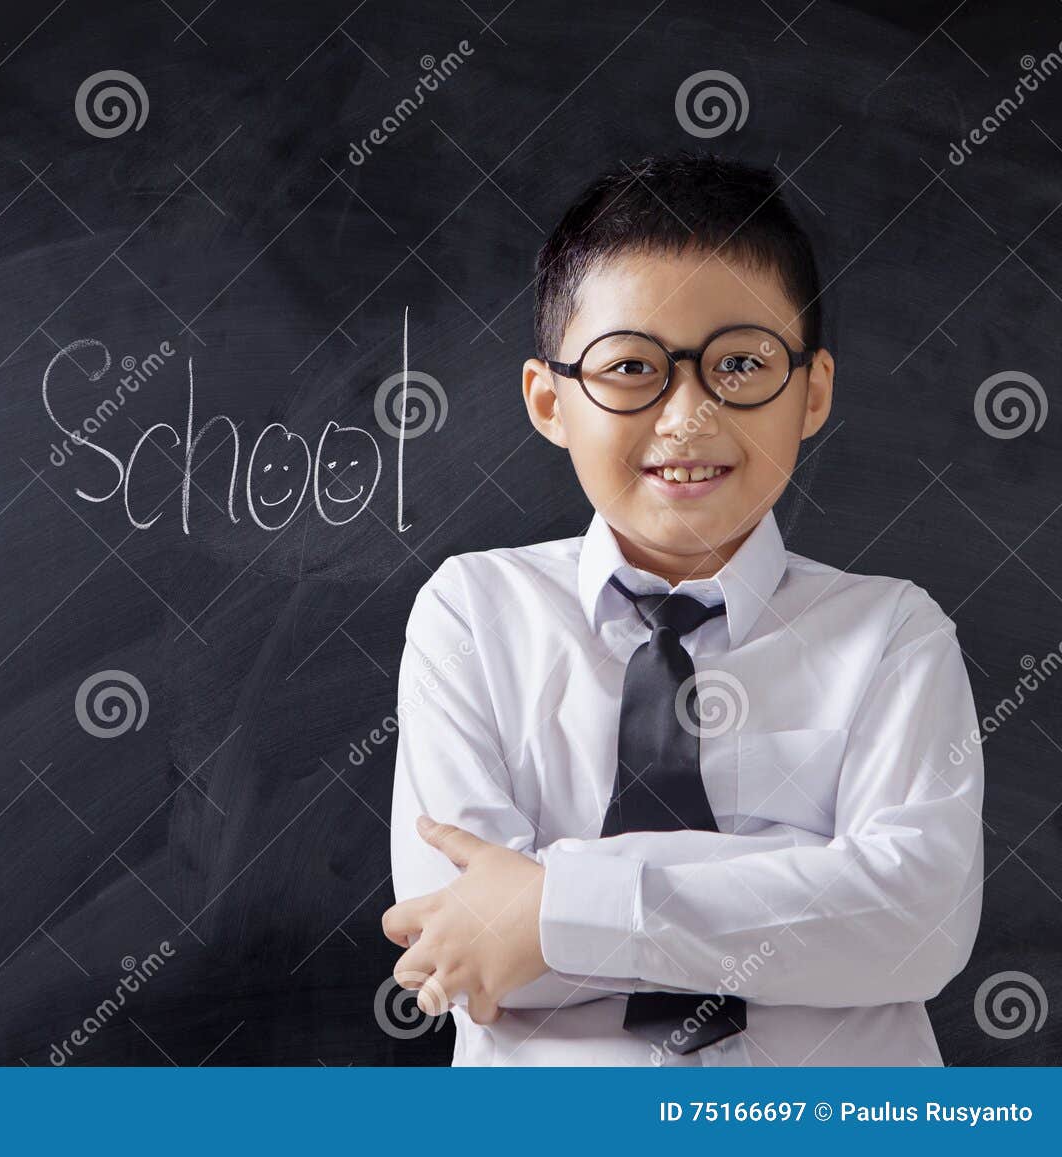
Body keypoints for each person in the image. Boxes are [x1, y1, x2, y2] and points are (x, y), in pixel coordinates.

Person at [383, 151, 983, 1066]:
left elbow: (914, 925)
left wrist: (550, 905)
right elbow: (459, 940)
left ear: (812, 390)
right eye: (632, 367)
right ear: (550, 400)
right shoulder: (472, 614)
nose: (689, 417)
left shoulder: (893, 634)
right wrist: (804, 887)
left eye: (741, 363)